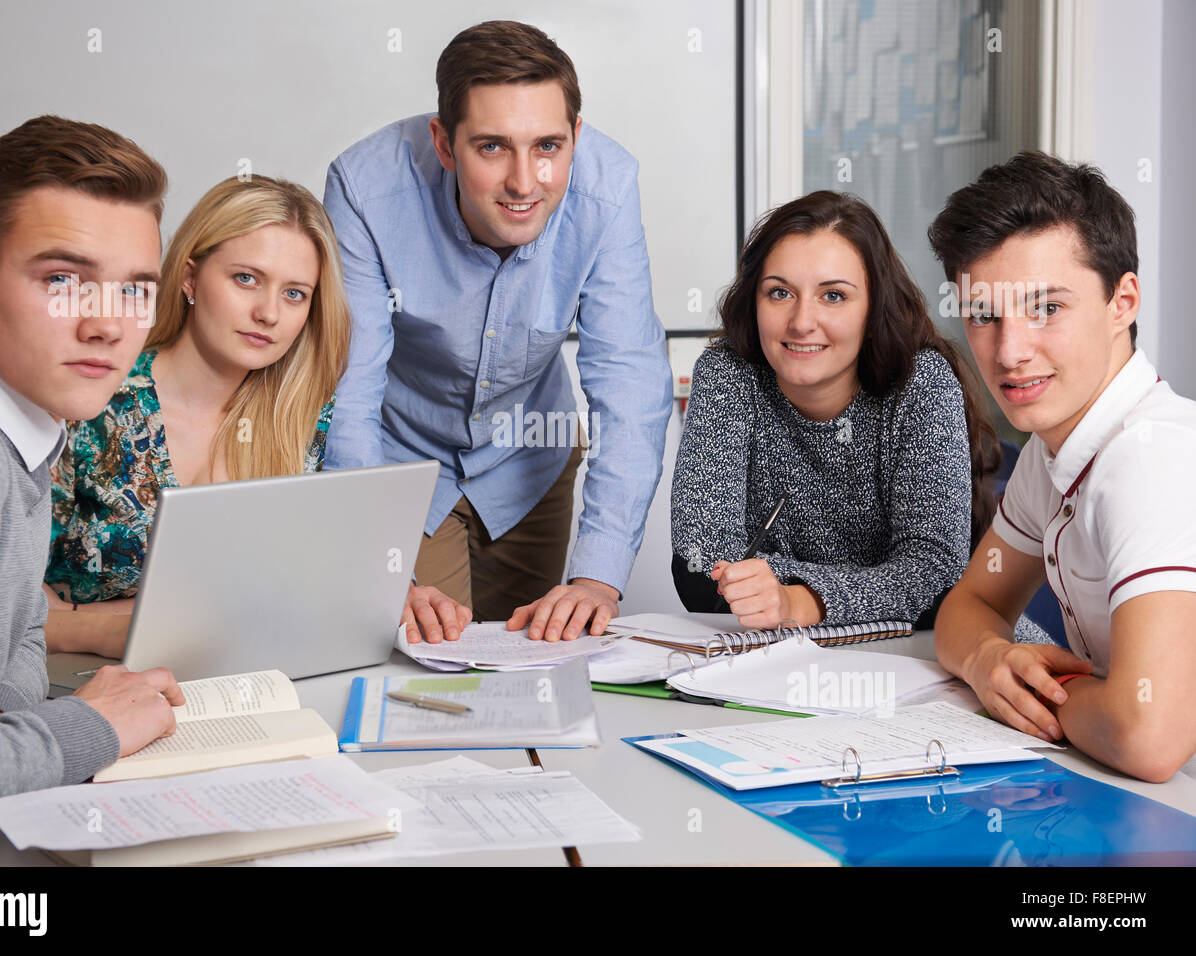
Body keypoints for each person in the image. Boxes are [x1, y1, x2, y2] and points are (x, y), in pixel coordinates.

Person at [322, 20, 673, 645]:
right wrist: (370, 567)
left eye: (547, 147)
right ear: (444, 143)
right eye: (491, 147)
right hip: (404, 464)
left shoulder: (608, 187)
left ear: (576, 139)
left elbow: (630, 379)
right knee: (424, 672)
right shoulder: (365, 189)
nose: (523, 181)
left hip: (529, 458)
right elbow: (349, 389)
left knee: (533, 667)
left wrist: (599, 576)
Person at [0, 115, 185, 851]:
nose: (106, 326)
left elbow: (20, 639)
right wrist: (91, 726)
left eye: (134, 291)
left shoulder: (18, 414)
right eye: (63, 281)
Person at [929, 151, 1196, 782]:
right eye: (984, 315)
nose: (1011, 351)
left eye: (1046, 307)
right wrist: (992, 660)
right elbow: (970, 604)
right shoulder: (1055, 449)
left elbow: (1148, 736)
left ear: (1122, 301)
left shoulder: (1149, 457)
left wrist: (1038, 697)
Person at [43, 175, 350, 657]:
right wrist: (103, 632)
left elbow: (307, 592)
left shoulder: (307, 416)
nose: (269, 313)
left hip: (244, 671)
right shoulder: (94, 402)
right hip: (75, 677)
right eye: (246, 278)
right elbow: (4, 603)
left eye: (295, 294)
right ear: (189, 278)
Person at [672, 190, 1001, 629]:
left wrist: (800, 602)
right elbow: (698, 564)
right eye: (779, 293)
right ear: (754, 301)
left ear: (873, 308)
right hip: (774, 663)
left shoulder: (920, 381)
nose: (802, 322)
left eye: (833, 297)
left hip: (932, 657)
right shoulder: (727, 373)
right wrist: (869, 586)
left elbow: (935, 572)